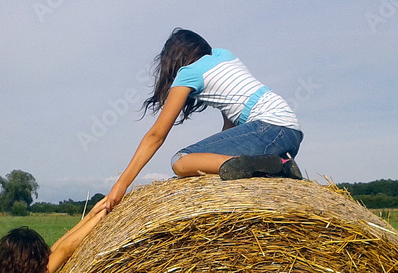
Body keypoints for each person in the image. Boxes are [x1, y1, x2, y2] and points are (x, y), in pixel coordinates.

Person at [91, 28, 303, 214]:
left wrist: (121, 185)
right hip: (289, 133)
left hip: (268, 127)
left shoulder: (188, 73)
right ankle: (276, 166)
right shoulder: (225, 56)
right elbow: (229, 127)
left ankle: (262, 165)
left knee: (181, 160)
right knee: (212, 159)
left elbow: (156, 136)